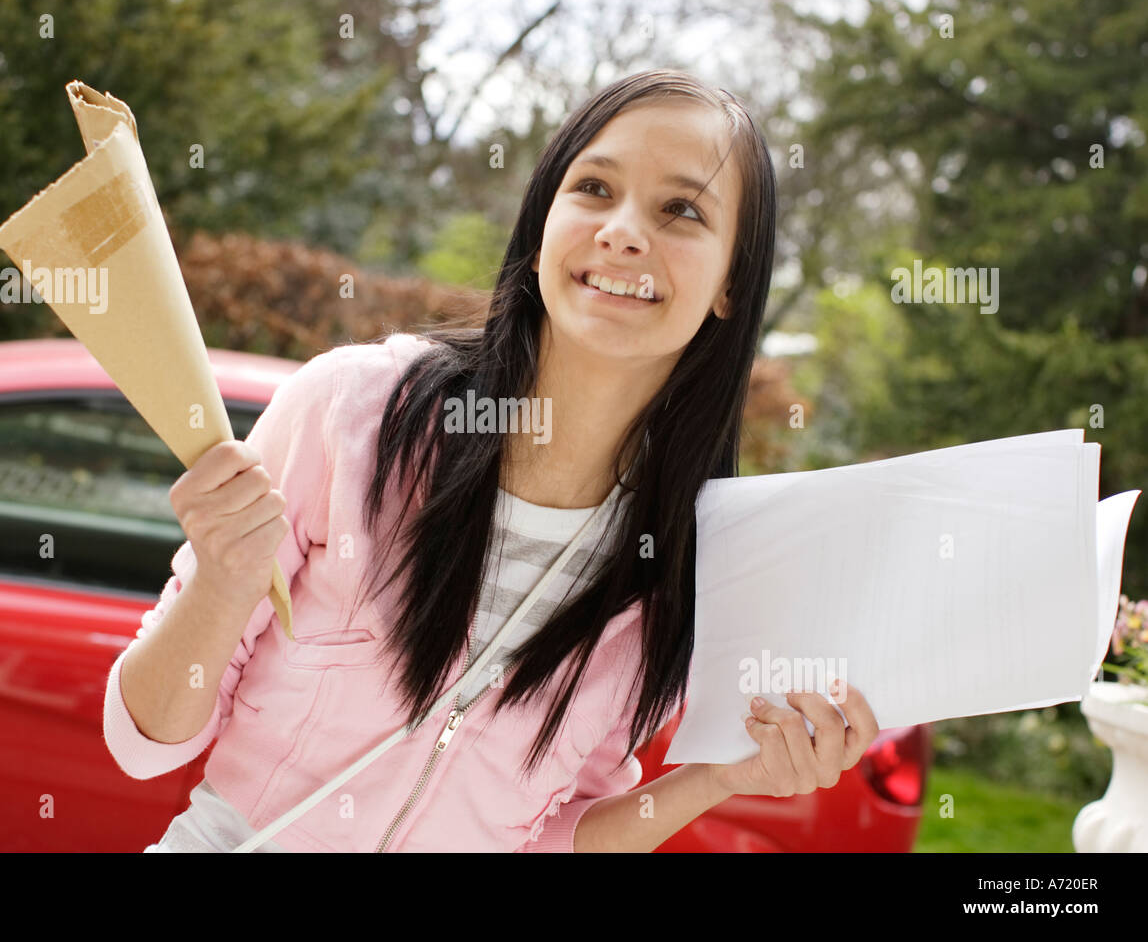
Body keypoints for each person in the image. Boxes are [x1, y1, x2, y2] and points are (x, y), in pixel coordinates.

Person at [105, 68, 880, 853]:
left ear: (731, 284)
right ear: (543, 222)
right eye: (594, 188)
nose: (623, 231)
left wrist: (717, 777)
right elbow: (144, 741)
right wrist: (222, 581)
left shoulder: (683, 556)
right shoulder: (354, 411)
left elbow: (550, 840)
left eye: (681, 209)